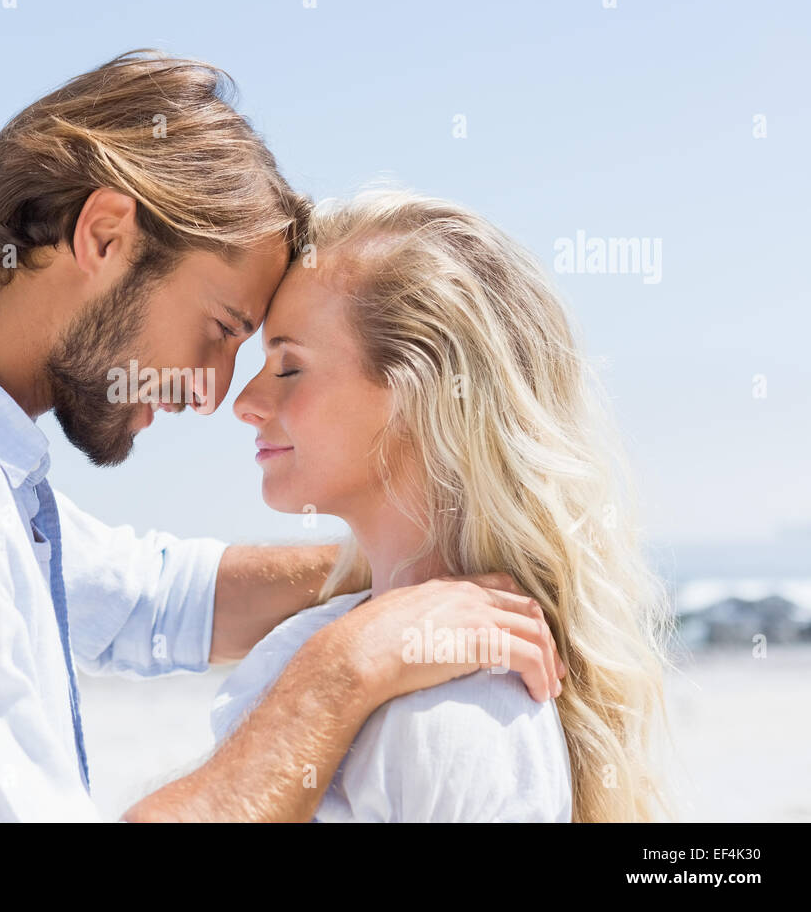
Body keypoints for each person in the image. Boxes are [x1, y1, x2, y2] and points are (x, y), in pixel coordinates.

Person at [0, 52, 563, 822]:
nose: (214, 394)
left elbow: (153, 598)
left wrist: (415, 576)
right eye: (220, 331)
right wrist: (345, 668)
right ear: (106, 234)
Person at [217, 189, 674, 821]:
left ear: (422, 393)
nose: (245, 402)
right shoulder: (330, 642)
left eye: (289, 367)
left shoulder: (460, 713)